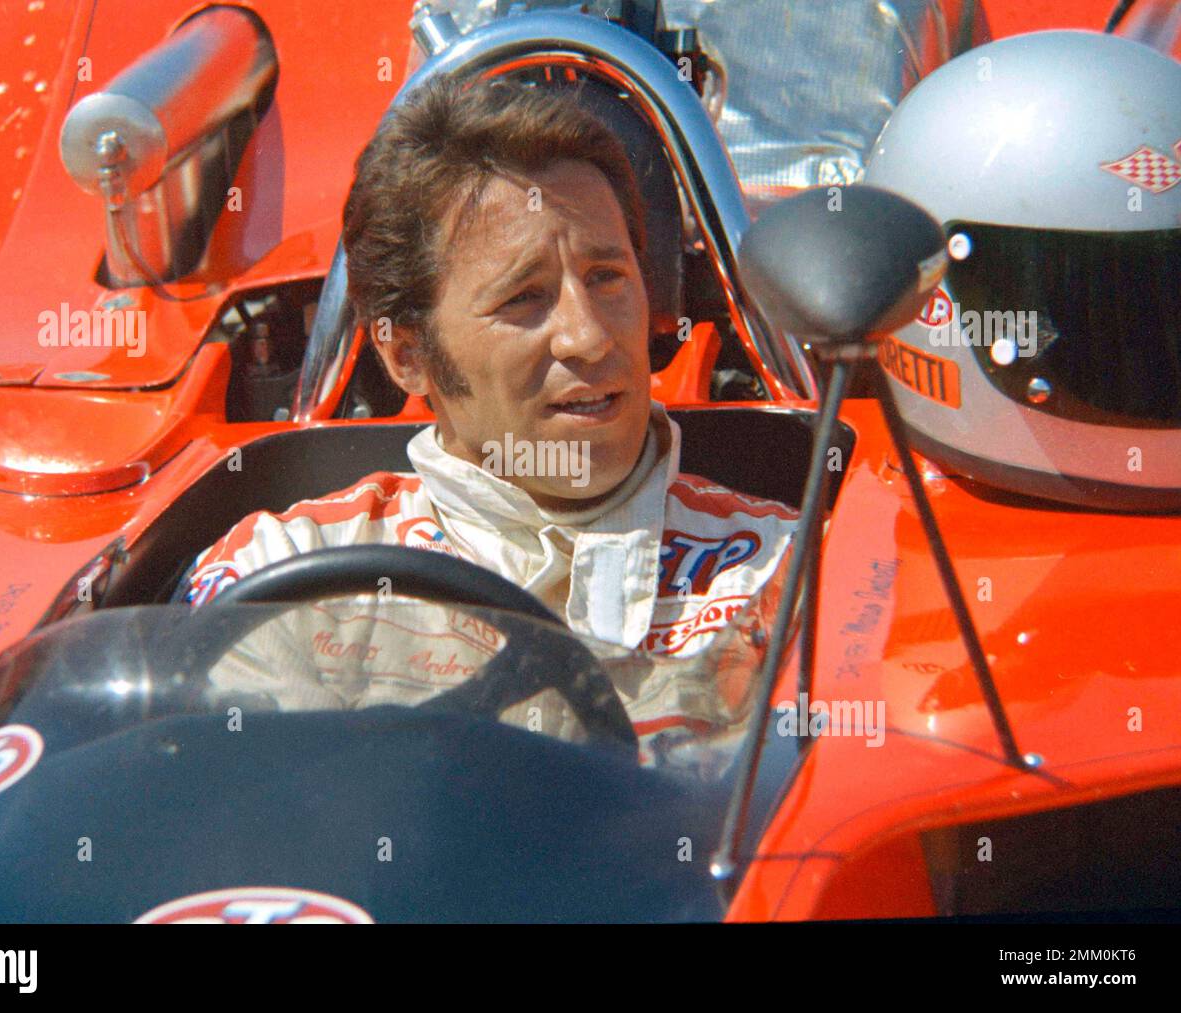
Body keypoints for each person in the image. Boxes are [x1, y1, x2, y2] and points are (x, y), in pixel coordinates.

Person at [182, 79, 797, 746]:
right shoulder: (283, 575)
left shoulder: (783, 570)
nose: (589, 337)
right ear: (409, 357)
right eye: (525, 298)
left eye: (607, 277)